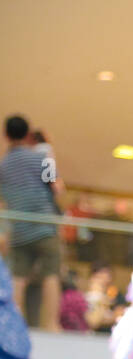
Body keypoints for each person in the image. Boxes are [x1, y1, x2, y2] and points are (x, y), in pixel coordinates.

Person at [0, 115, 62, 331]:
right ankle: (52, 324)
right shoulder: (40, 157)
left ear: (5, 135)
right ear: (28, 134)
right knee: (51, 274)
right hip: (44, 226)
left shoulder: (3, 166)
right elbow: (56, 187)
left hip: (18, 229)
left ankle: (13, 326)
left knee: (18, 277)